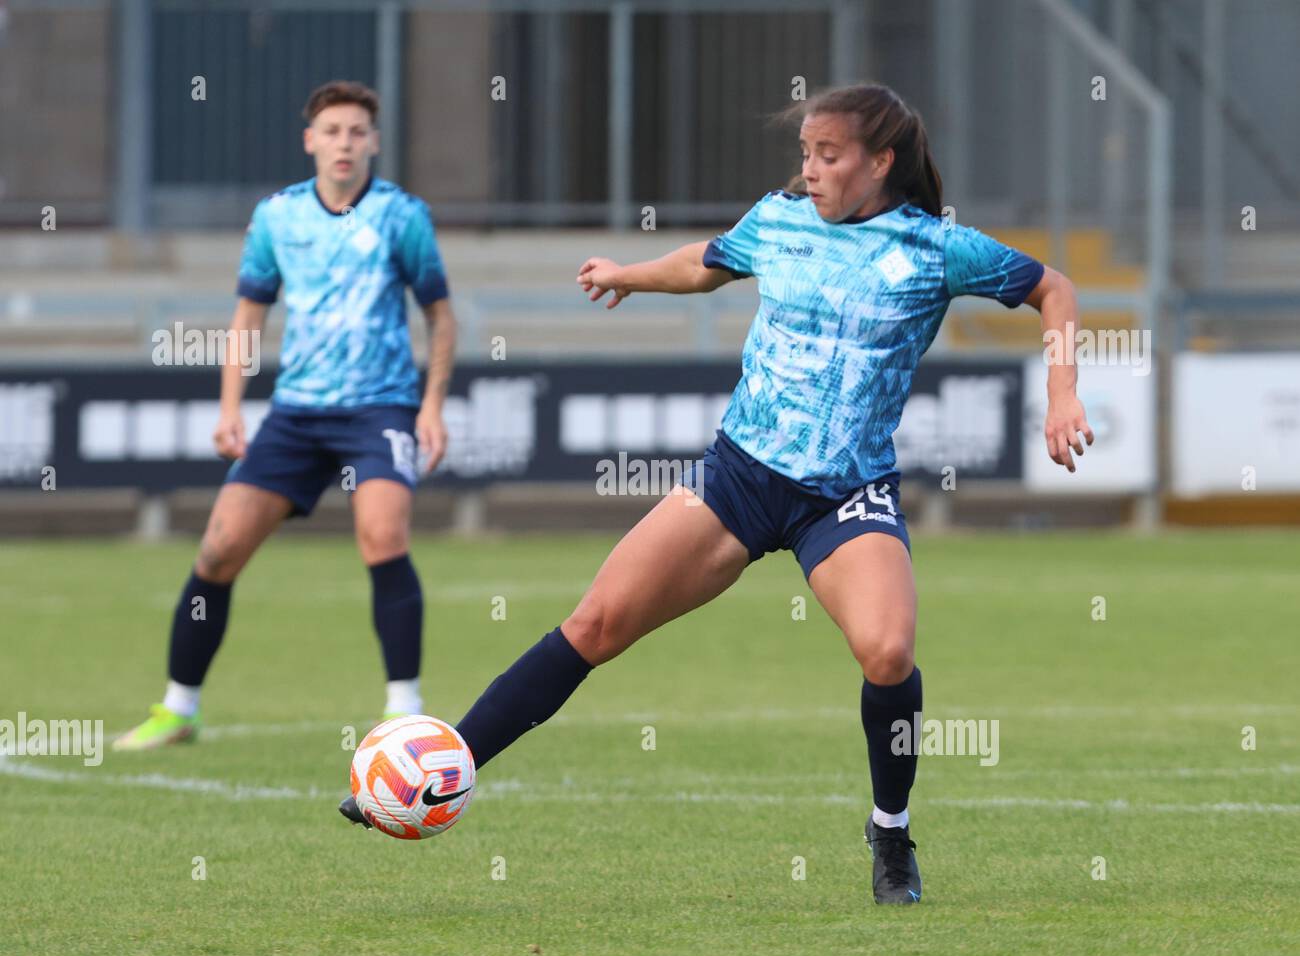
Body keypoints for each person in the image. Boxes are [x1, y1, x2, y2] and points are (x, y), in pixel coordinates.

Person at [341, 83, 1093, 906]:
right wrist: (630, 274)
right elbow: (707, 262)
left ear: (880, 163)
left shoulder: (936, 249)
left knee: (888, 652)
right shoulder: (780, 219)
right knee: (594, 624)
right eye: (805, 152)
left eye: (829, 155)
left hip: (843, 495)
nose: (810, 169)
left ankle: (890, 832)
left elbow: (1055, 288)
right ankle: (436, 769)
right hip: (738, 477)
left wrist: (1062, 395)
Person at [115, 81, 456, 750]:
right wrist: (230, 406)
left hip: (379, 406)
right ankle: (178, 709)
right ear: (310, 140)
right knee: (218, 548)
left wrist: (432, 405)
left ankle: (402, 711)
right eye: (332, 131)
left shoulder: (403, 216)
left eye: (357, 132)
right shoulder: (275, 218)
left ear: (374, 142)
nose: (344, 143)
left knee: (383, 536)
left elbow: (440, 316)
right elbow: (250, 313)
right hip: (296, 414)